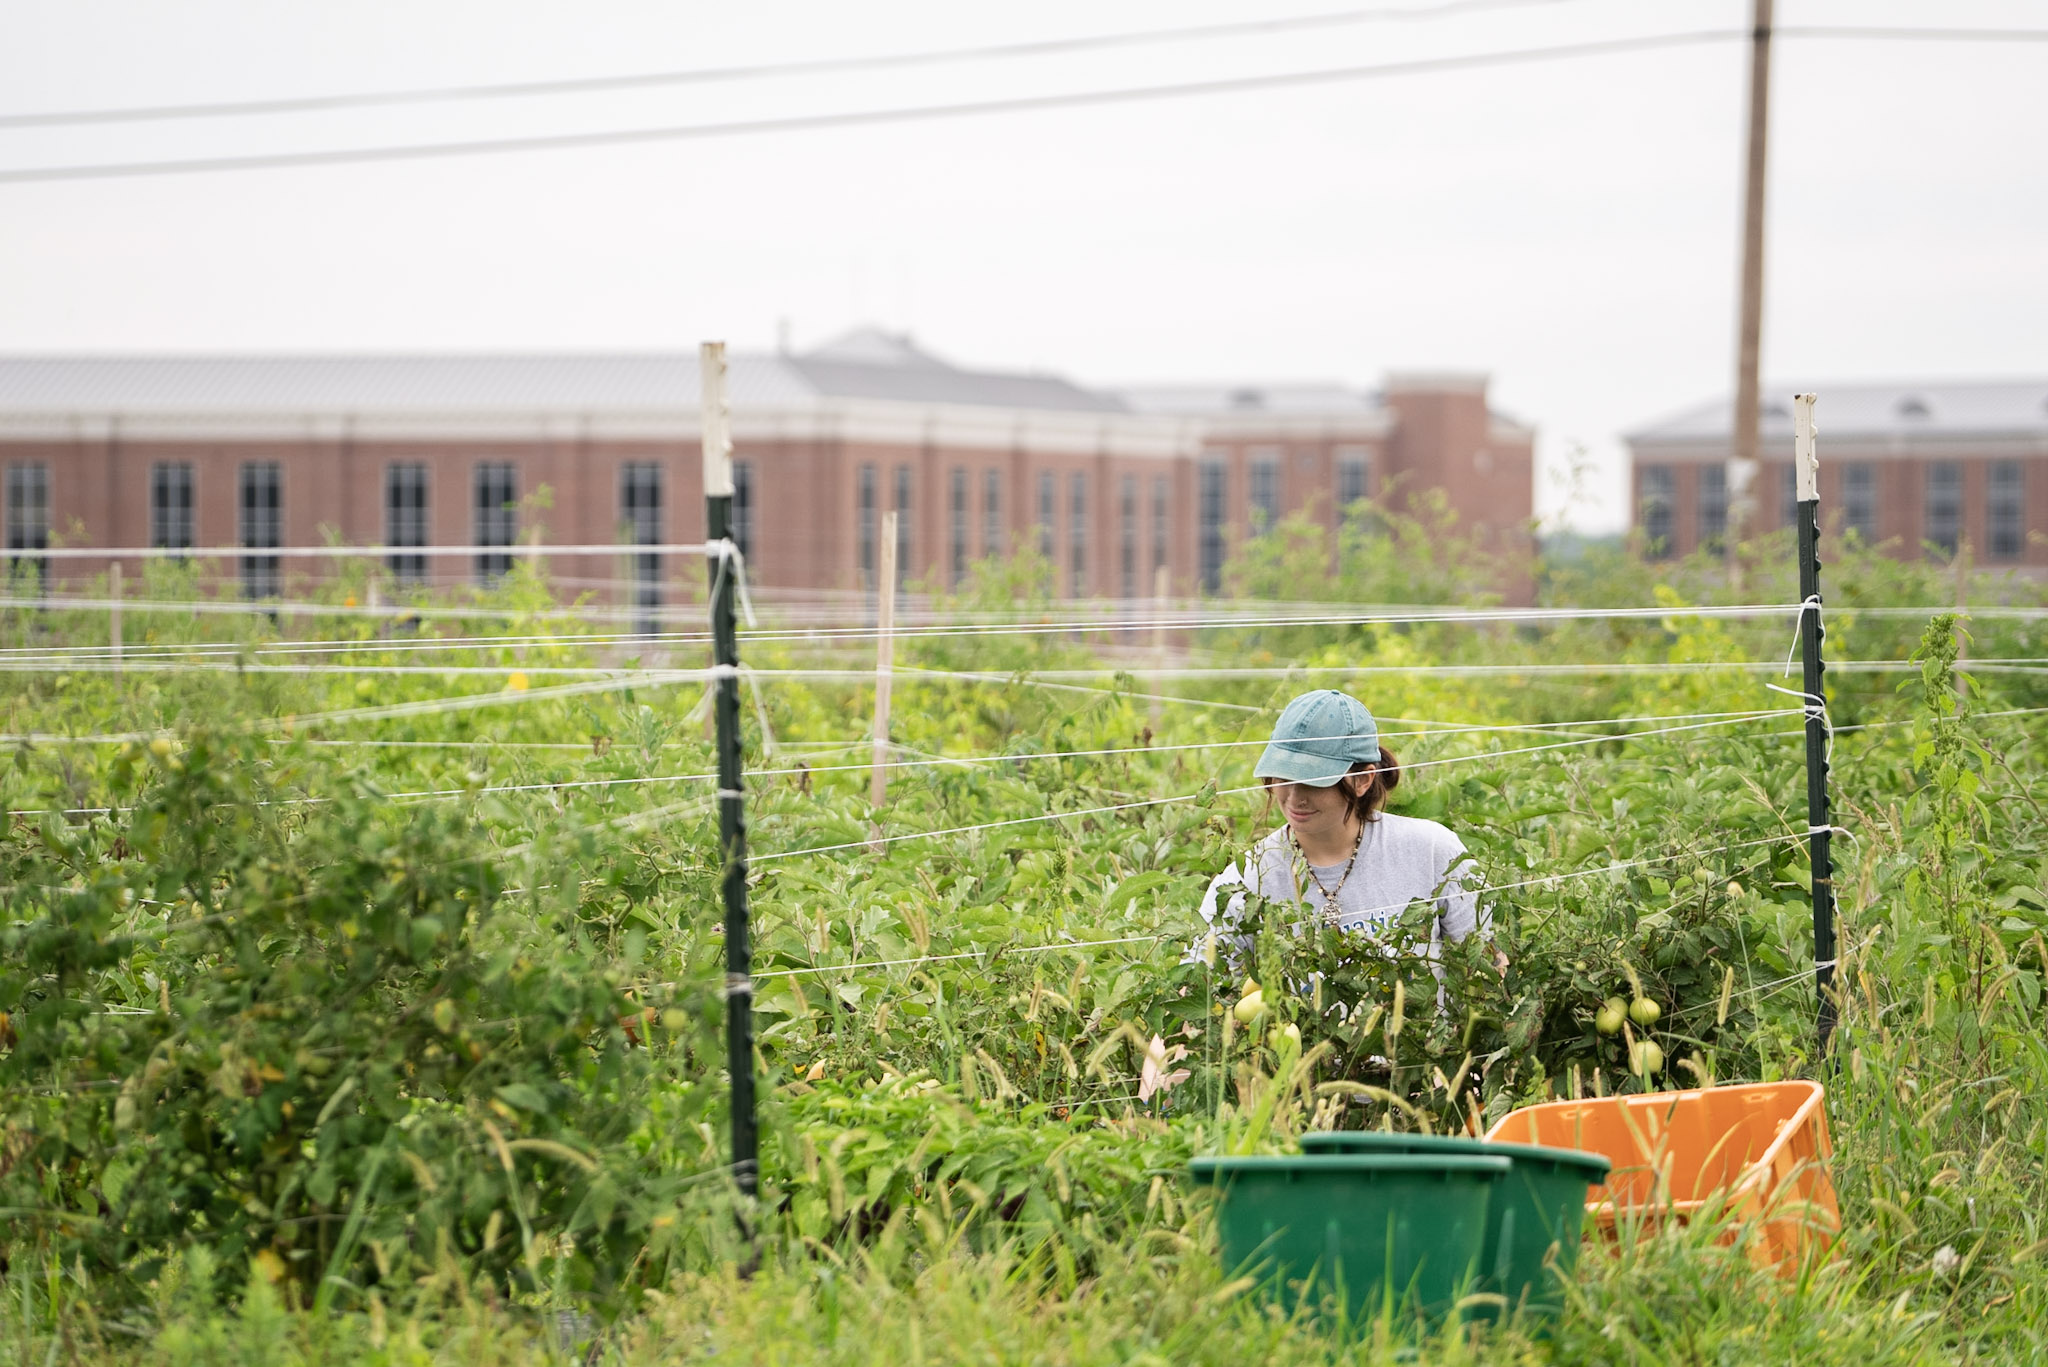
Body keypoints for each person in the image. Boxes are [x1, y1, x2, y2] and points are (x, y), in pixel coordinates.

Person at [1193, 689, 1484, 976]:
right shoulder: (1246, 879)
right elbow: (1199, 986)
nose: (1294, 797)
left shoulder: (1431, 851)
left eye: (1313, 781)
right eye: (1283, 776)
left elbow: (1488, 965)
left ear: (1362, 780)